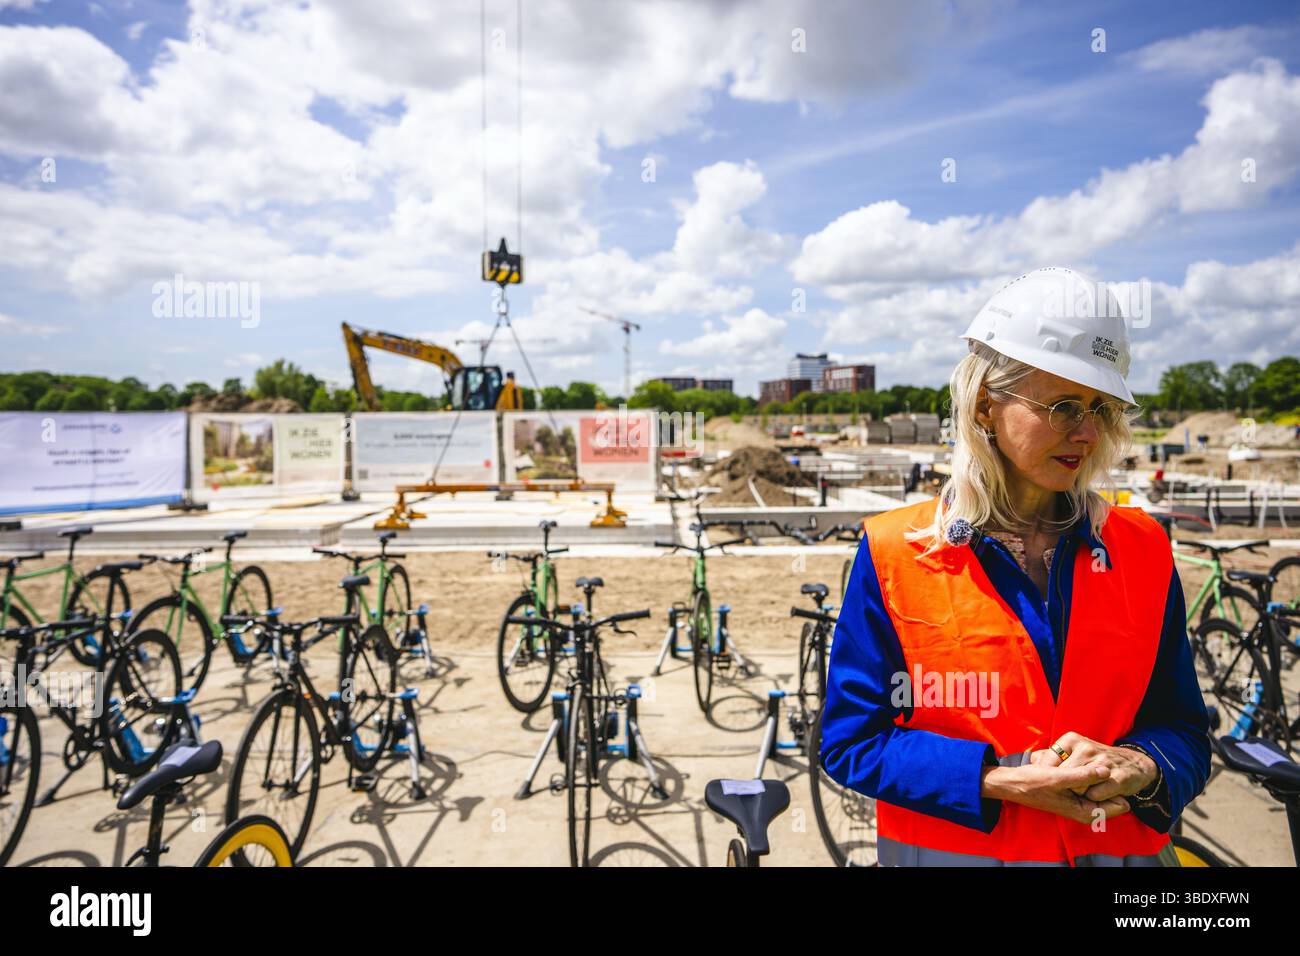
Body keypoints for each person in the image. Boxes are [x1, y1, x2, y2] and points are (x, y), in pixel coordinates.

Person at [820, 267, 1210, 866]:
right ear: (984, 406)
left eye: (1100, 409)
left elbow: (1182, 728)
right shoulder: (896, 551)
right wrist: (1001, 780)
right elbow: (852, 741)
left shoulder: (1144, 549)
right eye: (1062, 406)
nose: (1086, 432)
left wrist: (1146, 767)